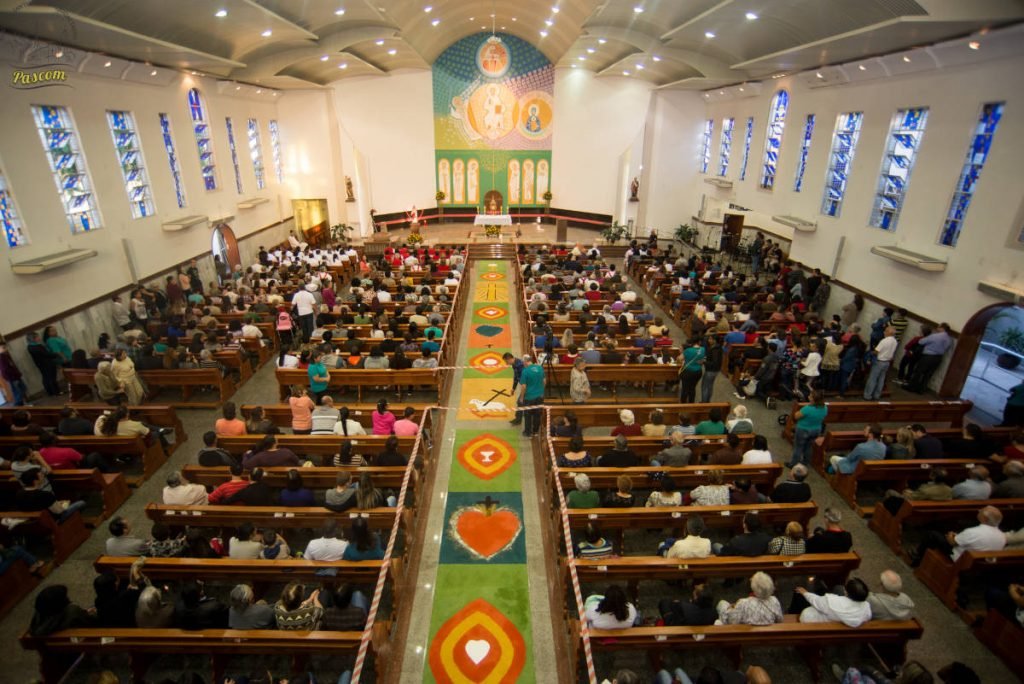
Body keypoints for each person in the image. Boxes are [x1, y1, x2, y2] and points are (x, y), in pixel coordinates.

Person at [912, 505, 1006, 566]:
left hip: (959, 559)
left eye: (981, 511)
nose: (979, 511)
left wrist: (951, 535)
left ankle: (917, 557)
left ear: (985, 518)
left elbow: (952, 542)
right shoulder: (1002, 536)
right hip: (980, 564)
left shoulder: (974, 532)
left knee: (932, 535)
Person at [798, 577, 872, 627]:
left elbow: (816, 601)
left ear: (846, 592)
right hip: (837, 629)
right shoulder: (866, 608)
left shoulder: (831, 602)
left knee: (803, 606)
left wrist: (805, 593)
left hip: (817, 625)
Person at [716, 572, 784, 625]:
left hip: (745, 638)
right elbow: (780, 620)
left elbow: (732, 621)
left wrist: (729, 609)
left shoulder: (743, 603)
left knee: (722, 604)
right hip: (767, 635)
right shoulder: (774, 600)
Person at [30, 585, 96, 636]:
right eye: (65, 597)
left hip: (56, 650)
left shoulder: (38, 618)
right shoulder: (72, 611)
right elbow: (92, 623)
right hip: (77, 646)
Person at [907, 323, 953, 394]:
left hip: (928, 356)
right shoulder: (949, 339)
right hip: (938, 358)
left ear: (942, 328)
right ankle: (921, 389)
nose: (937, 328)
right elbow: (946, 348)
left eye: (938, 327)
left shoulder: (935, 336)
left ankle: (912, 387)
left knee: (919, 371)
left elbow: (921, 341)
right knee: (928, 374)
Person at [788, 390, 828, 469]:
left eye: (810, 396)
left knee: (798, 447)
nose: (809, 396)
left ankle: (793, 463)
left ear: (813, 399)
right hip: (816, 429)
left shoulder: (807, 409)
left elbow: (796, 416)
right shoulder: (825, 408)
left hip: (803, 429)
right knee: (809, 446)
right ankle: (805, 462)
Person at [864, 326, 898, 400]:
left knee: (872, 379)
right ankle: (877, 395)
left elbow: (876, 352)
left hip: (879, 362)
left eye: (885, 331)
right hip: (887, 362)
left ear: (889, 333)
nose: (884, 332)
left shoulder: (884, 341)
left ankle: (867, 395)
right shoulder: (895, 341)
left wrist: (870, 352)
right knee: (881, 379)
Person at [26, 331, 62, 396]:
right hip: (48, 364)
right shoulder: (38, 346)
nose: (39, 338)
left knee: (46, 378)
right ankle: (56, 392)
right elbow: (46, 354)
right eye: (37, 337)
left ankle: (50, 392)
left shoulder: (29, 347)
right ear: (33, 338)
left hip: (40, 365)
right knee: (52, 378)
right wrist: (56, 354)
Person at [677, 337, 705, 403]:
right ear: (699, 342)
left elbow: (679, 359)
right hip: (698, 372)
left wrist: (681, 355)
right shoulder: (703, 349)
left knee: (685, 389)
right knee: (692, 388)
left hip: (688, 372)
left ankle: (683, 404)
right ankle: (691, 403)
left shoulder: (688, 350)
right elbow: (703, 360)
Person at [701, 335, 722, 403]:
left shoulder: (715, 349)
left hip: (711, 370)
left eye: (710, 339)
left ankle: (704, 403)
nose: (708, 340)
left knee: (705, 387)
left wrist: (704, 362)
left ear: (714, 340)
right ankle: (707, 401)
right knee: (710, 386)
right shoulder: (717, 347)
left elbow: (714, 362)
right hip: (715, 370)